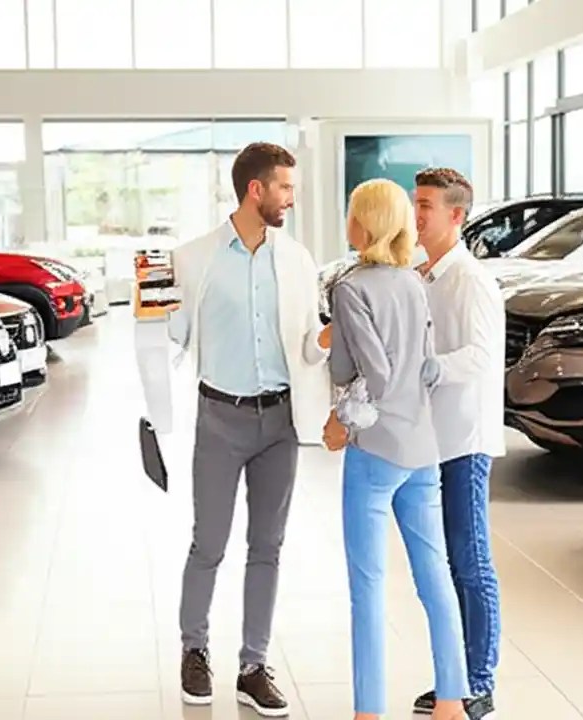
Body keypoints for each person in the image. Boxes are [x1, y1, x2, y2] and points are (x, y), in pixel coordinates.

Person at [167, 142, 331, 718]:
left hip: (280, 423)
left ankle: (253, 665)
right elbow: (172, 339)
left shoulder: (299, 259)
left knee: (268, 546)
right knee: (208, 544)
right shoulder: (193, 259)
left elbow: (309, 344)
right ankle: (194, 650)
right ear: (255, 190)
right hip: (219, 418)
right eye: (285, 187)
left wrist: (333, 339)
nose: (293, 197)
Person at [324, 178, 468, 720]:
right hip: (422, 448)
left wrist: (341, 418)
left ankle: (368, 711)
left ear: (364, 223)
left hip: (376, 452)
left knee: (368, 586)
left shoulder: (349, 287)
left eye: (352, 212)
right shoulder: (413, 281)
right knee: (434, 576)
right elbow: (425, 367)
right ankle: (451, 698)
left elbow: (359, 374)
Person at [409, 167, 506, 719]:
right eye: (414, 203)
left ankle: (479, 682)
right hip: (432, 439)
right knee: (446, 566)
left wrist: (422, 369)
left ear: (456, 215)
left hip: (463, 442)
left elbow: (481, 358)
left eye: (426, 205)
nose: (416, 214)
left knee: (471, 564)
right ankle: (453, 676)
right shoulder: (426, 275)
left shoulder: (469, 279)